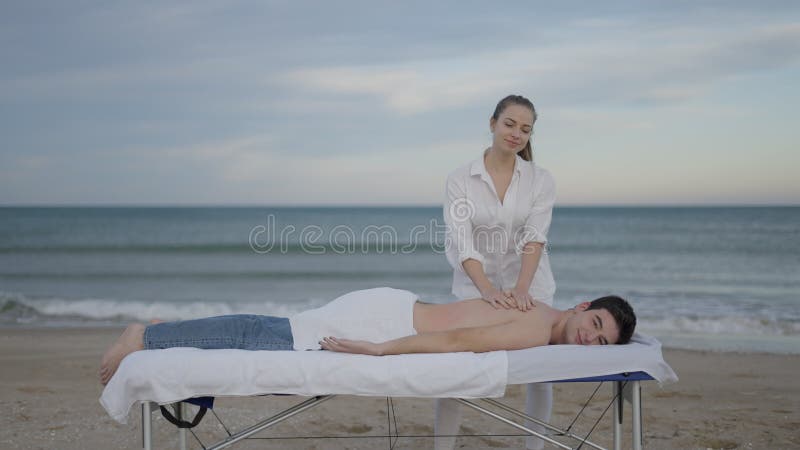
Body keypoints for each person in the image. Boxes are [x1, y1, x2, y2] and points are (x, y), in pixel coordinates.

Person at [99, 287, 636, 385]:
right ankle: (144, 336)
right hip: (385, 323)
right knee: (263, 335)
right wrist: (380, 349)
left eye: (602, 345)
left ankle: (163, 332)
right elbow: (457, 342)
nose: (591, 342)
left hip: (392, 310)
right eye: (595, 325)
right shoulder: (536, 326)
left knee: (266, 330)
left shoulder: (535, 308)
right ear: (582, 307)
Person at [441, 94, 557, 449]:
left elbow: (535, 238)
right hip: (475, 289)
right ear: (492, 124)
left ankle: (534, 447)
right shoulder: (460, 179)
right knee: (456, 370)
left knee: (539, 374)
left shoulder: (540, 179)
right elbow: (463, 243)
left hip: (532, 288)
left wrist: (522, 290)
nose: (516, 134)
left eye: (525, 129)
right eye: (509, 124)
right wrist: (487, 291)